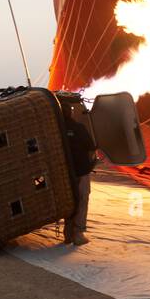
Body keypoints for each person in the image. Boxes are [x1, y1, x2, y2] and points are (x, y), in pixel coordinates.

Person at [62, 100, 97, 246]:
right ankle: (78, 234)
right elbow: (91, 146)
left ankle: (68, 234)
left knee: (69, 200)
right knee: (82, 199)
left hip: (65, 173)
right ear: (70, 112)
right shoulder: (79, 128)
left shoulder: (56, 130)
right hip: (81, 170)